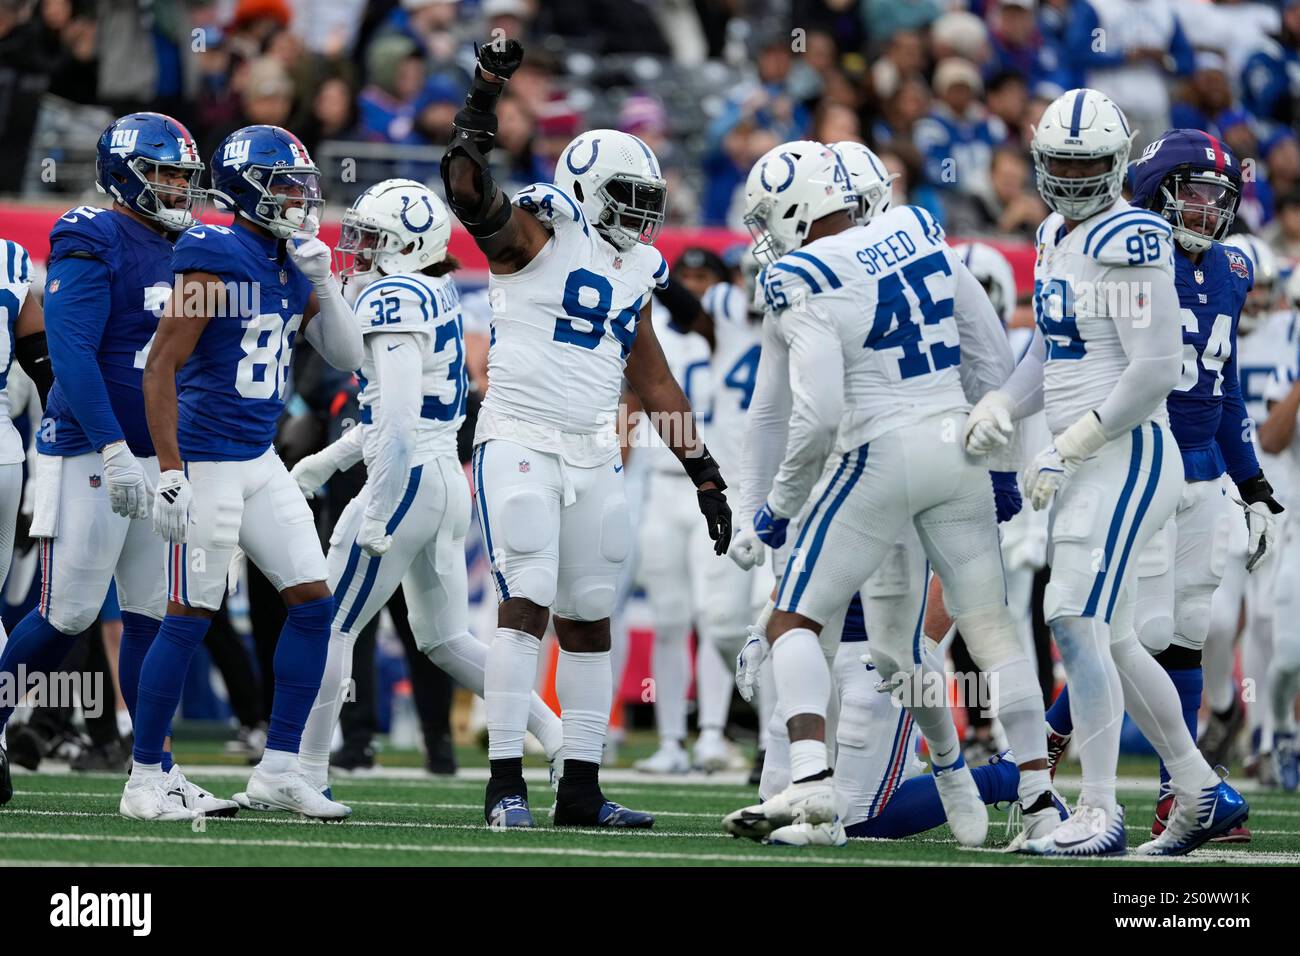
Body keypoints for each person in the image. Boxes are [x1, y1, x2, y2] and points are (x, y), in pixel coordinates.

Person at [722, 139, 1052, 848]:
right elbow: (992, 353)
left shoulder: (802, 275)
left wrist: (771, 509)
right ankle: (1028, 791)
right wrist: (999, 469)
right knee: (971, 637)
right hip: (953, 448)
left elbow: (799, 416)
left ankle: (813, 787)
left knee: (792, 625)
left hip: (876, 459)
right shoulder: (916, 231)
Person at [440, 38, 732, 829]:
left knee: (590, 614)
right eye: (626, 193)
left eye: (648, 194)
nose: (641, 211)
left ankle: (581, 788)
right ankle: (504, 782)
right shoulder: (538, 233)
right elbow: (467, 186)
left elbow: (653, 377)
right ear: (584, 188)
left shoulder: (635, 267)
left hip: (594, 448)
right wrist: (486, 91)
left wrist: (704, 469)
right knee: (524, 601)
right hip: (522, 436)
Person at [965, 89, 1248, 855]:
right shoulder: (1057, 234)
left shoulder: (1132, 233)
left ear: (1119, 164)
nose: (1074, 177)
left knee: (1073, 619)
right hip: (1090, 459)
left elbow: (1156, 369)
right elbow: (1052, 354)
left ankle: (1097, 810)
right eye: (1061, 163)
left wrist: (1072, 443)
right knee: (1115, 637)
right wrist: (1003, 403)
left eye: (1089, 164)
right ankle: (1199, 790)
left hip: (1126, 455)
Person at [289, 178, 565, 796]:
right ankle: (557, 737)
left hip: (408, 479)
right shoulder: (432, 289)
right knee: (444, 639)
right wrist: (330, 460)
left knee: (328, 625)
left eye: (373, 239)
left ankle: (300, 772)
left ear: (407, 245)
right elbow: (402, 412)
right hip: (442, 480)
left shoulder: (395, 298)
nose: (357, 247)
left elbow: (396, 424)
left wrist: (379, 508)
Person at [129, 124, 363, 821]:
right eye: (283, 186)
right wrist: (170, 470)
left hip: (261, 459)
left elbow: (348, 356)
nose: (297, 199)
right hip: (206, 461)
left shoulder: (294, 262)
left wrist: (323, 279)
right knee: (188, 616)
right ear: (245, 191)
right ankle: (145, 778)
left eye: (302, 186)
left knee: (315, 605)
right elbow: (161, 365)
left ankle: (281, 768)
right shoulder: (213, 251)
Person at [0, 113, 231, 818]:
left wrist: (180, 456)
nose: (174, 186)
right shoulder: (89, 234)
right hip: (90, 451)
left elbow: (196, 363)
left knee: (151, 614)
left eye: (181, 174)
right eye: (161, 172)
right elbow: (71, 355)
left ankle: (151, 773)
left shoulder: (196, 248)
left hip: (160, 456)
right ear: (125, 173)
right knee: (66, 612)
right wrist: (111, 449)